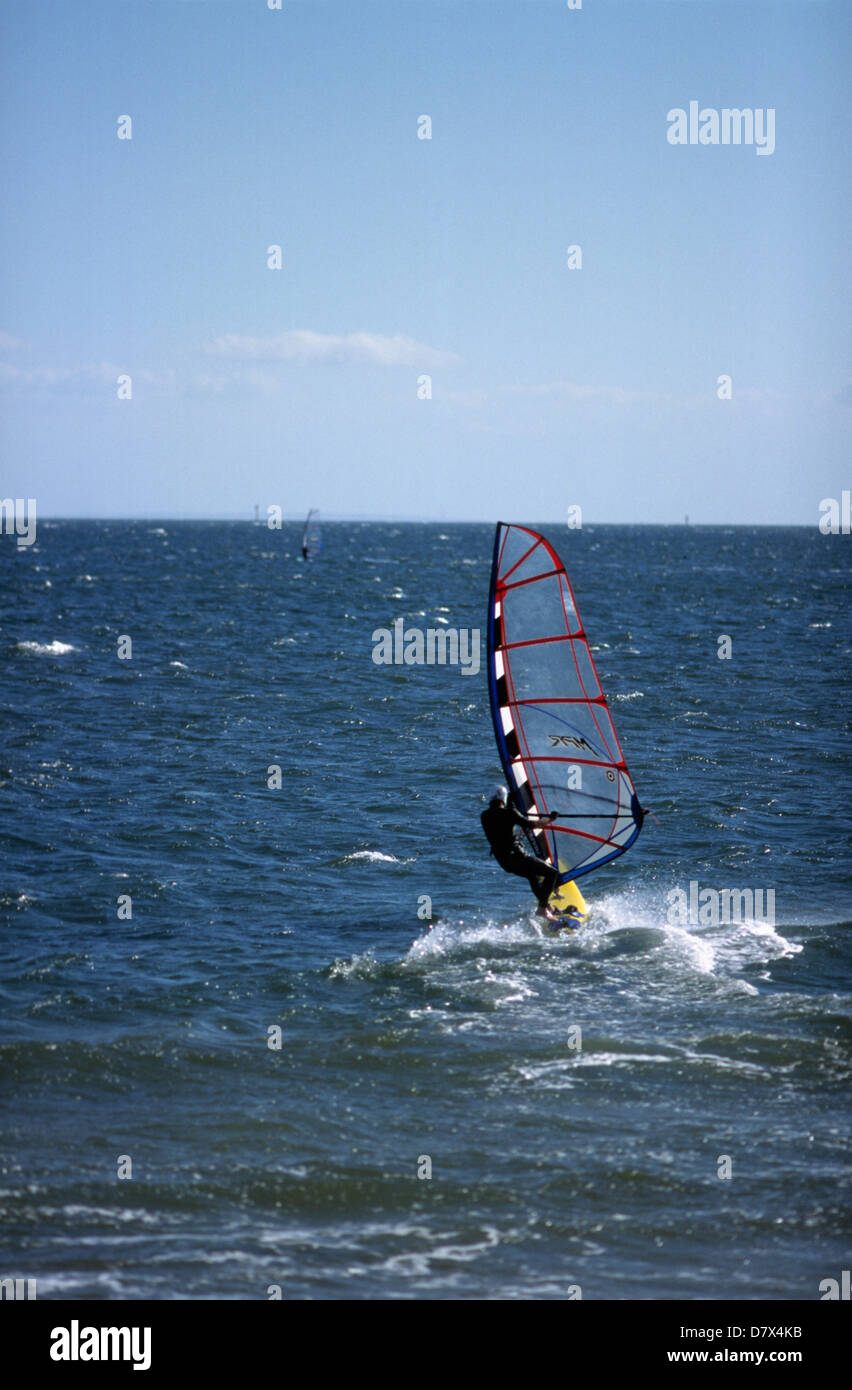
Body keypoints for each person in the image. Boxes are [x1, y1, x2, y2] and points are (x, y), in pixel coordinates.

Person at [481, 785, 560, 918]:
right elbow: (533, 824)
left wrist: (512, 805)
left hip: (504, 862)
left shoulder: (484, 816)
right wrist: (551, 818)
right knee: (552, 873)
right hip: (519, 858)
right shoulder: (510, 813)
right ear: (503, 798)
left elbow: (502, 821)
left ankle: (547, 907)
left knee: (533, 876)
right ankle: (542, 908)